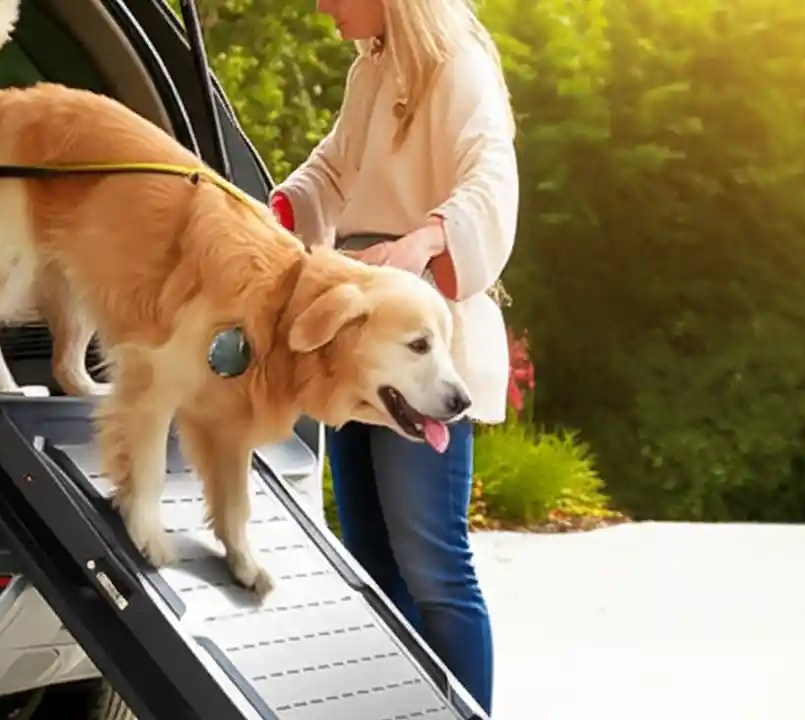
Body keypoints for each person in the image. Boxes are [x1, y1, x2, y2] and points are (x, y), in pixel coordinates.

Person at [267, 0, 518, 713]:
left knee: (434, 567)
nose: (322, 6)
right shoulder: (371, 70)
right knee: (371, 566)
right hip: (361, 356)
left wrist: (426, 241)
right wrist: (276, 214)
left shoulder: (459, 65)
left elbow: (491, 179)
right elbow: (332, 170)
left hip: (424, 342)